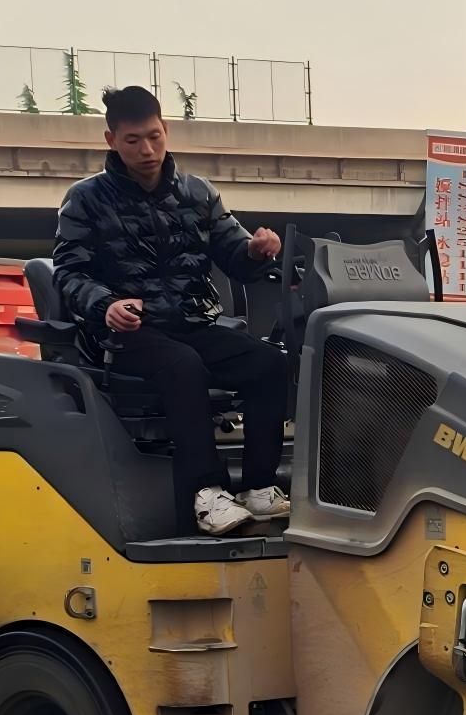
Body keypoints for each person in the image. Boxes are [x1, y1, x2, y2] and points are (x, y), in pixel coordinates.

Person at [53, 86, 290, 536]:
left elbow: (235, 254)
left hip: (192, 322)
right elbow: (69, 273)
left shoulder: (198, 193)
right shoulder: (85, 199)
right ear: (111, 141)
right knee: (183, 365)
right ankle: (207, 493)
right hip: (126, 333)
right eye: (133, 140)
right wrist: (106, 305)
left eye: (154, 137)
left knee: (269, 363)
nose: (146, 150)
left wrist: (258, 251)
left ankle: (258, 487)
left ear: (166, 130)